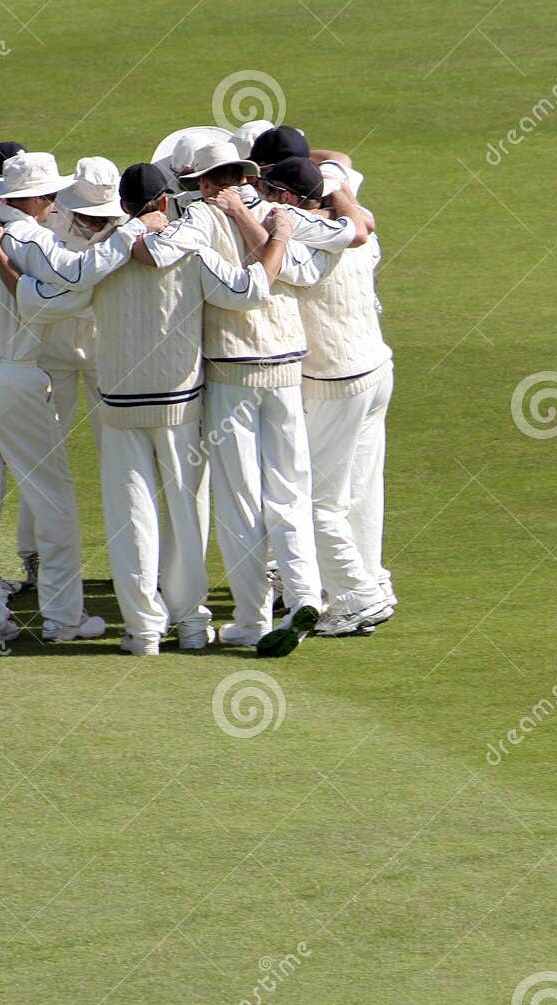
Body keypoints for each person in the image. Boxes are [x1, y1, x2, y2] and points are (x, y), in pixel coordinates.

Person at [0, 162, 298, 655]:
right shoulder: (190, 251)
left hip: (120, 407)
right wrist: (278, 238)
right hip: (180, 405)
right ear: (164, 203)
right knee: (186, 517)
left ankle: (144, 631)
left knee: (130, 519)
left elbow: (43, 303)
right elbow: (250, 291)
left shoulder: (97, 255)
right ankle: (191, 626)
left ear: (122, 207)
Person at [0, 151, 159, 647]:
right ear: (37, 197)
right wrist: (132, 233)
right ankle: (63, 619)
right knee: (54, 502)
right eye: (49, 196)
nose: (53, 205)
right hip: (12, 377)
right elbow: (74, 273)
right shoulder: (26, 234)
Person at [139, 141, 356, 656]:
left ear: (208, 182)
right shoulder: (280, 213)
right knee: (289, 491)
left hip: (233, 373)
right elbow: (345, 232)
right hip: (285, 367)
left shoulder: (196, 219)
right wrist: (272, 230)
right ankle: (303, 594)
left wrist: (139, 229)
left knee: (240, 502)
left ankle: (254, 618)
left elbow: (159, 253)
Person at [258, 157, 394, 636]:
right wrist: (335, 183)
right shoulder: (357, 224)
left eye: (269, 188)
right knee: (357, 490)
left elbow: (272, 265)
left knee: (315, 500)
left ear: (291, 197)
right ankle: (369, 581)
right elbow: (344, 174)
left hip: (338, 379)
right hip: (375, 369)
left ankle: (358, 597)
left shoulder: (303, 239)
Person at [13, 156, 123, 591]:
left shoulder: (123, 224)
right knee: (41, 458)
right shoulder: (45, 226)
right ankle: (34, 556)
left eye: (103, 217)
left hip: (106, 353)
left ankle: (131, 563)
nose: (96, 224)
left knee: (119, 460)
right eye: (87, 216)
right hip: (51, 352)